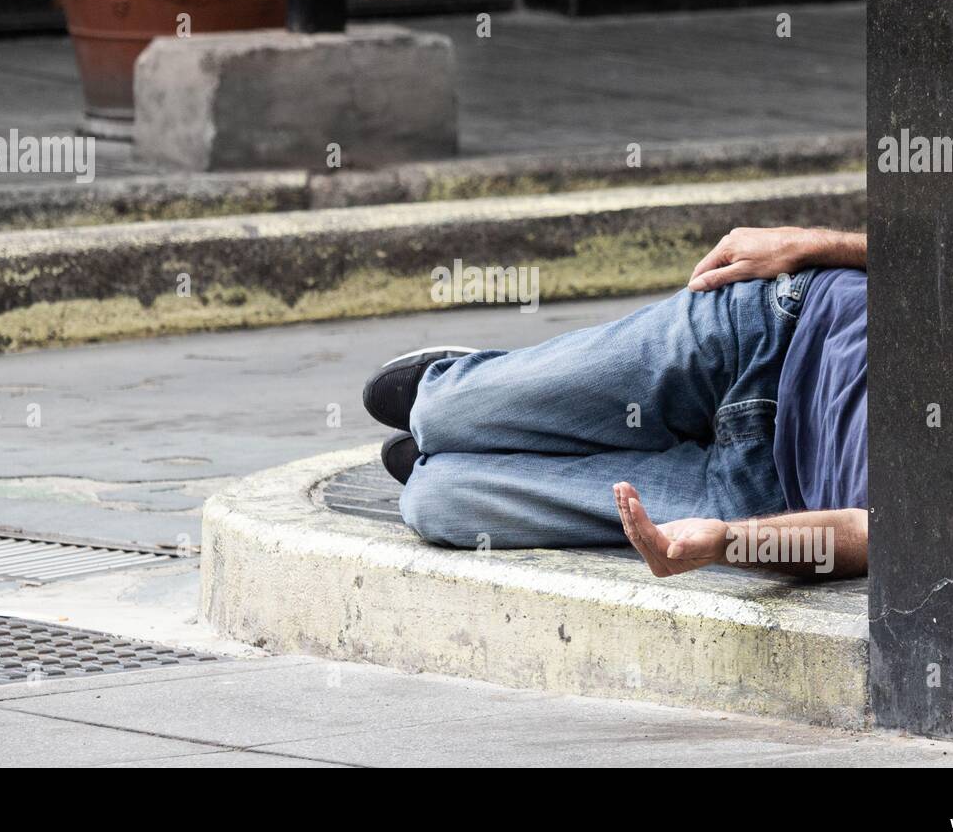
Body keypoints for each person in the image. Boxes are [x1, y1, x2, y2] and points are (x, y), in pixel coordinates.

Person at [362, 226, 867, 580]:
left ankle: (498, 435)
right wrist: (809, 243)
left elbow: (870, 535)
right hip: (774, 332)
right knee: (438, 409)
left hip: (767, 495)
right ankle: (492, 406)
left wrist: (729, 543)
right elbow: (944, 246)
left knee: (436, 500)